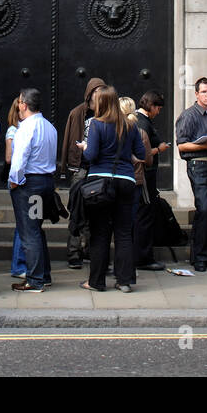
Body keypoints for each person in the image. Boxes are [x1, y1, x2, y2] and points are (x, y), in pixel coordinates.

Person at [79, 86, 145, 293]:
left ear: (101, 103)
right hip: (126, 180)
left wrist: (84, 147)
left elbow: (91, 156)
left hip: (100, 183)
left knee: (100, 233)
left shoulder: (97, 125)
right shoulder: (131, 126)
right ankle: (124, 281)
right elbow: (141, 153)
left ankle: (96, 282)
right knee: (124, 233)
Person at [9, 87, 58, 292]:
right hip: (45, 182)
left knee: (29, 232)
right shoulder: (49, 127)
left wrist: (14, 180)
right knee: (36, 230)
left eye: (20, 102)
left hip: (29, 185)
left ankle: (35, 279)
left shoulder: (26, 128)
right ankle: (43, 275)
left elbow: (19, 159)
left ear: (23, 104)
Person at [175, 77, 207, 273]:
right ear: (196, 94)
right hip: (198, 165)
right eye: (204, 92)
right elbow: (181, 145)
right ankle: (199, 257)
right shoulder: (188, 116)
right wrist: (204, 145)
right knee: (203, 208)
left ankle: (204, 255)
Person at [60, 77, 106, 269]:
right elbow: (69, 139)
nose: (98, 95)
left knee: (96, 210)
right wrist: (68, 165)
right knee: (77, 208)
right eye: (96, 92)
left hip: (99, 168)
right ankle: (74, 251)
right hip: (81, 167)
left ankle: (90, 250)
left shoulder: (107, 113)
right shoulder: (77, 113)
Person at [134, 90, 169, 272]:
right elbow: (142, 153)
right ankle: (143, 257)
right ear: (152, 106)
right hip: (145, 175)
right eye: (158, 108)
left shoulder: (143, 121)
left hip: (147, 175)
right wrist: (159, 148)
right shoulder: (142, 123)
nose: (159, 112)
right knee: (144, 216)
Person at [3, 97, 26, 280]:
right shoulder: (13, 130)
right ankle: (18, 265)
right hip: (17, 179)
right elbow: (9, 157)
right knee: (21, 224)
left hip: (26, 180)